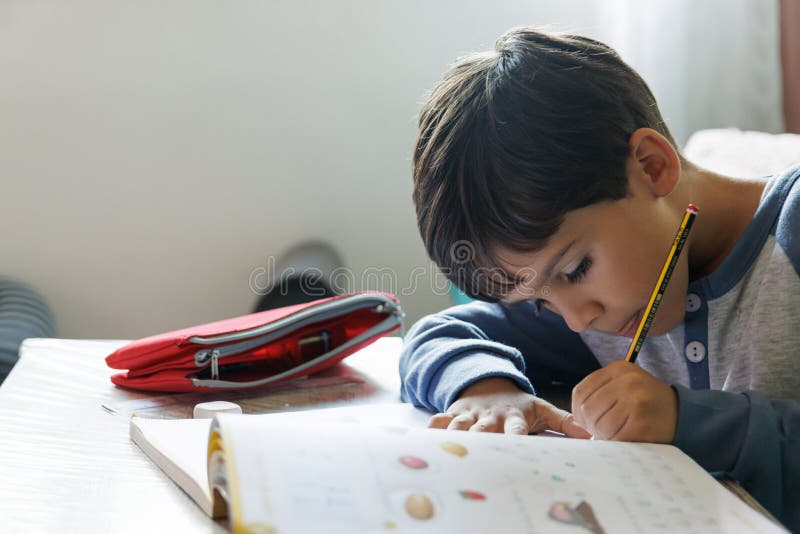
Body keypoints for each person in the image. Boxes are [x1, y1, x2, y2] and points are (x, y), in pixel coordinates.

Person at [400, 26, 799, 529]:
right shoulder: (602, 311)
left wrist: (690, 422)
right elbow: (438, 332)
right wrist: (487, 387)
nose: (575, 320)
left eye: (575, 269)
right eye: (541, 303)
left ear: (652, 167)